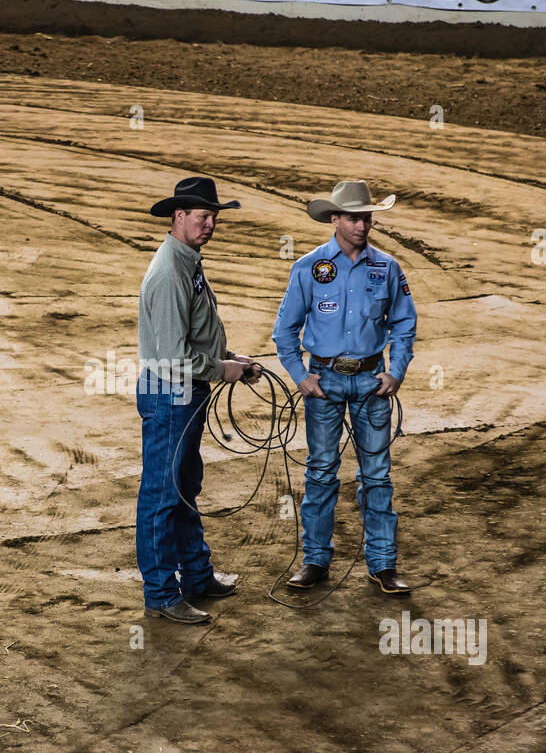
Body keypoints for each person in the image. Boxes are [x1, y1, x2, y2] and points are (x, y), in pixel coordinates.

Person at [271, 180, 417, 596]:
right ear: (334, 219)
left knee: (377, 475)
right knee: (320, 472)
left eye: (367, 217)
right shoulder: (309, 268)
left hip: (373, 382)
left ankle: (383, 565)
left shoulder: (387, 267)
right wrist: (300, 376)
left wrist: (397, 371)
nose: (362, 225)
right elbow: (284, 331)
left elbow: (405, 323)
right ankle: (315, 560)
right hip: (325, 380)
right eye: (354, 217)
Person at [136, 176, 259, 624]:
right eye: (202, 216)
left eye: (214, 216)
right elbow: (171, 355)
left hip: (181, 392)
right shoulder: (170, 271)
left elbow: (190, 336)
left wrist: (229, 357)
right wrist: (222, 370)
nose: (210, 223)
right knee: (163, 495)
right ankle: (161, 594)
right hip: (171, 392)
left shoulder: (186, 260)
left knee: (184, 488)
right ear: (179, 215)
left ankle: (196, 575)